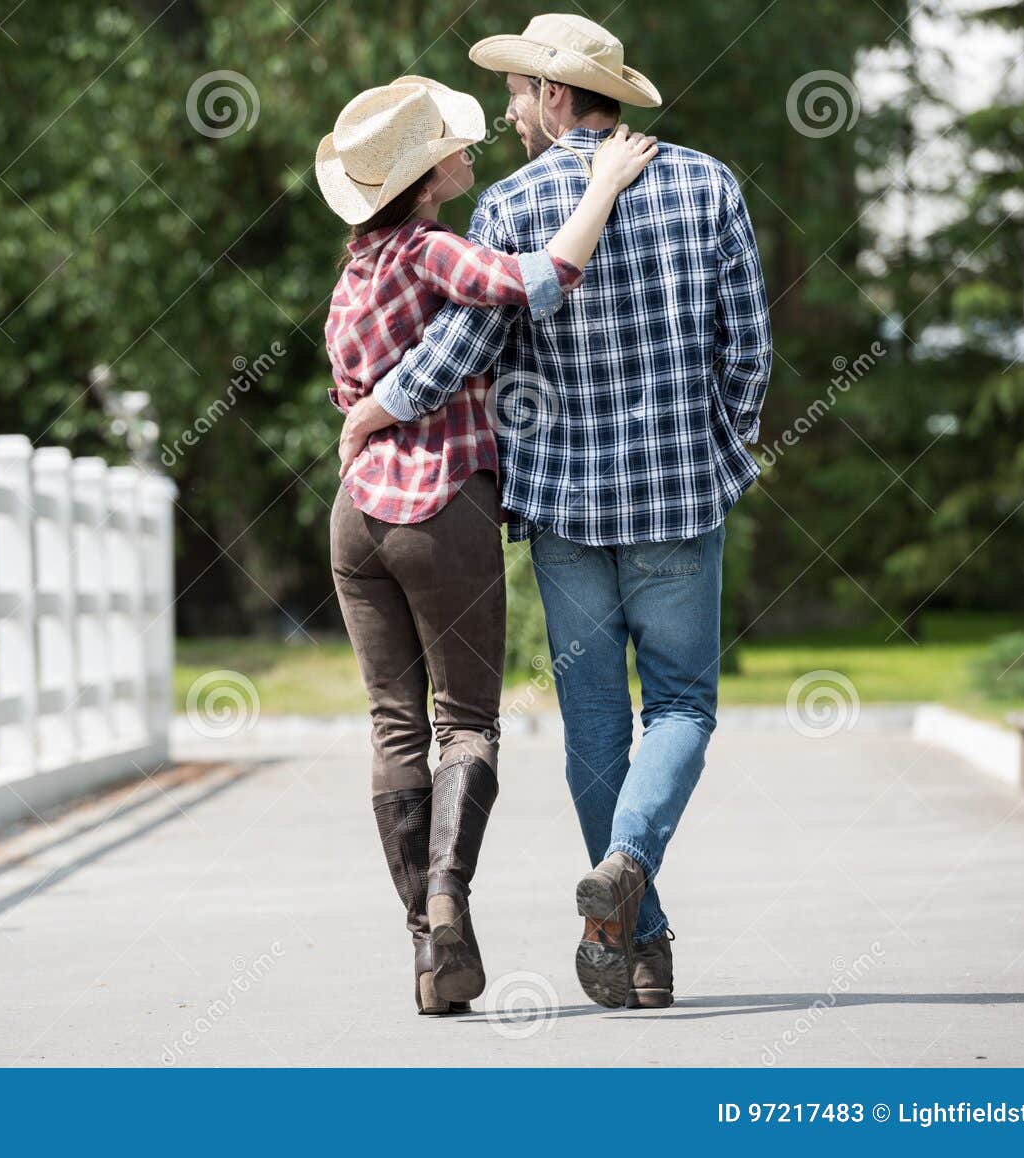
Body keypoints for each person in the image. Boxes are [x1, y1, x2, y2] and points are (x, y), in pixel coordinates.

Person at [339, 14, 772, 1010]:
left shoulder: (510, 203)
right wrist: (725, 439)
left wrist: (381, 405)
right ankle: (628, 891)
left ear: (560, 97)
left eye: (519, 91)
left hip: (566, 509)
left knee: (592, 737)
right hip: (677, 498)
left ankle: (640, 938)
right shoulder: (709, 184)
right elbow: (746, 343)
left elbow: (466, 346)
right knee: (681, 709)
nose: (507, 110)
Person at [318, 74, 656, 1015]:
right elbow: (536, 282)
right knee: (465, 723)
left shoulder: (354, 271)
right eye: (452, 149)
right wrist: (601, 187)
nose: (473, 150)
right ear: (428, 178)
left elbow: (354, 397)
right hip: (441, 509)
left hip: (355, 520)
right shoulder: (432, 252)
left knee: (393, 725)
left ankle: (431, 950)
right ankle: (447, 901)